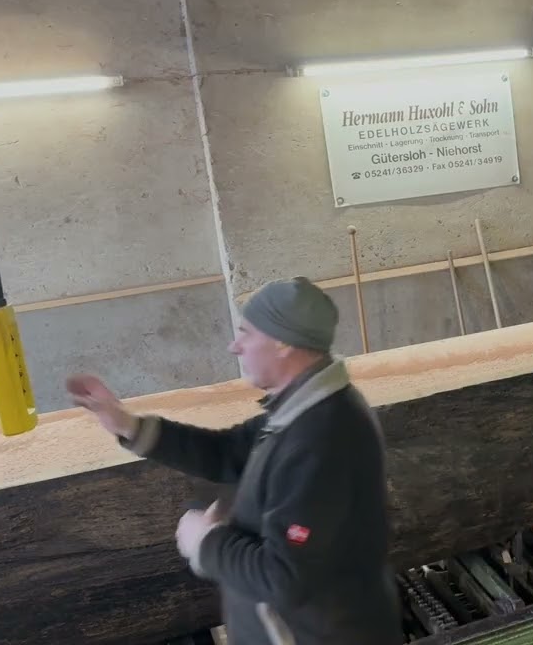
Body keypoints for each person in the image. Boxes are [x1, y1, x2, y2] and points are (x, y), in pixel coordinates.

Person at [66, 276, 402, 645]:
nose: (234, 346)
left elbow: (284, 577)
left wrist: (205, 542)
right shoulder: (300, 410)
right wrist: (126, 424)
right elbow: (227, 452)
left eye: (246, 333)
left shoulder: (321, 437)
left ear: (284, 344)